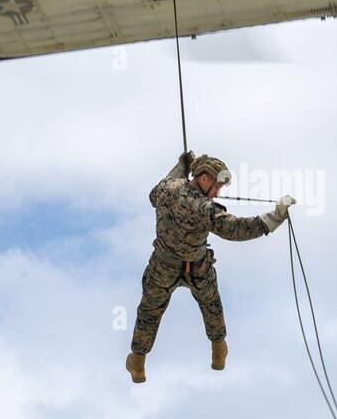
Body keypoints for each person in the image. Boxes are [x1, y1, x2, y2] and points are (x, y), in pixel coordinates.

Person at [126, 152, 295, 381]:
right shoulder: (203, 208)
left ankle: (137, 362)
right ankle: (218, 349)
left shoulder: (167, 187)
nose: (218, 192)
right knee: (211, 304)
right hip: (197, 267)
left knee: (149, 312)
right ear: (204, 179)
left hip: (162, 266)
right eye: (217, 186)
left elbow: (153, 195)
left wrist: (179, 168)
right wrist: (275, 217)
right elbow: (236, 229)